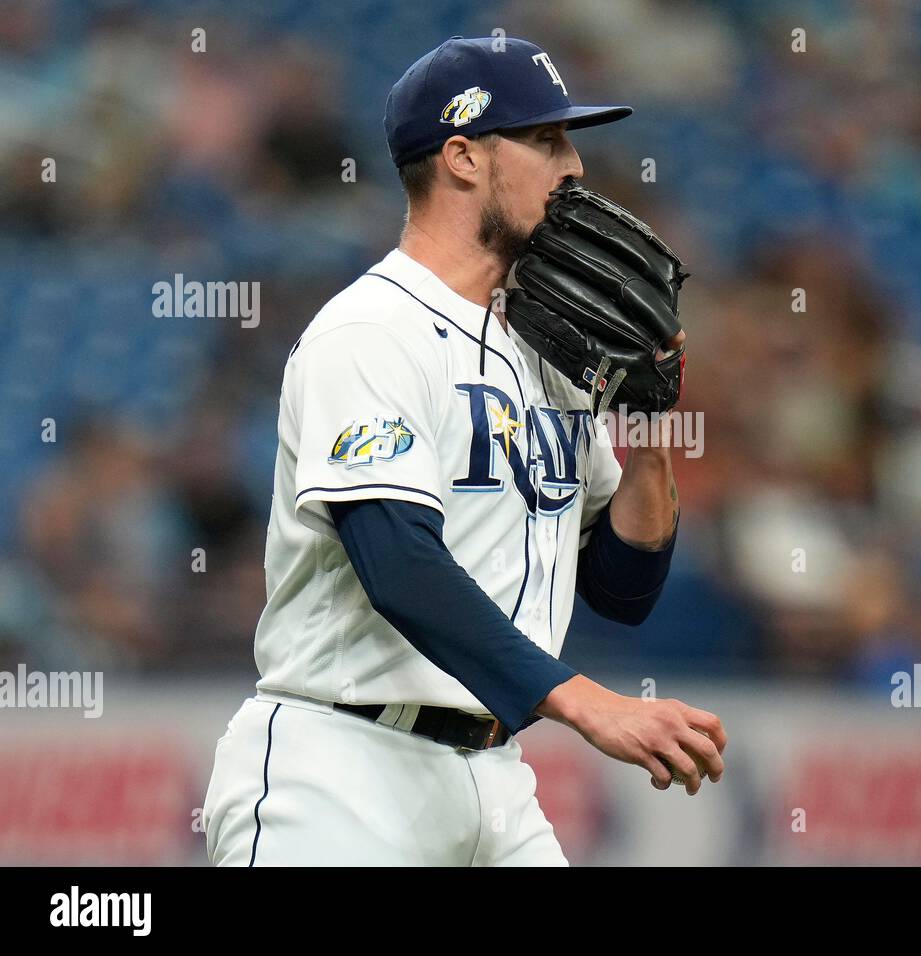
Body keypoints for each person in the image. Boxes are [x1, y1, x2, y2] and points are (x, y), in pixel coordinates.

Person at [202, 35, 725, 866]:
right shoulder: (370, 332)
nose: (575, 167)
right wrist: (584, 701)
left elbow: (622, 589)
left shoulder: (554, 348)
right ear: (462, 157)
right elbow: (397, 562)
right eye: (547, 139)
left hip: (496, 777)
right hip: (341, 771)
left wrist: (652, 433)